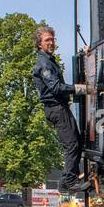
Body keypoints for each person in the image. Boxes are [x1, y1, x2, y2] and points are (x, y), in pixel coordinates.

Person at [33, 25, 90, 193]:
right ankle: (68, 182)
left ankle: (69, 179)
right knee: (71, 144)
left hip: (61, 107)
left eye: (52, 39)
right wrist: (80, 88)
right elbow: (56, 88)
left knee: (77, 142)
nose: (51, 42)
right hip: (56, 108)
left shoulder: (50, 61)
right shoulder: (44, 64)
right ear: (39, 44)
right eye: (47, 40)